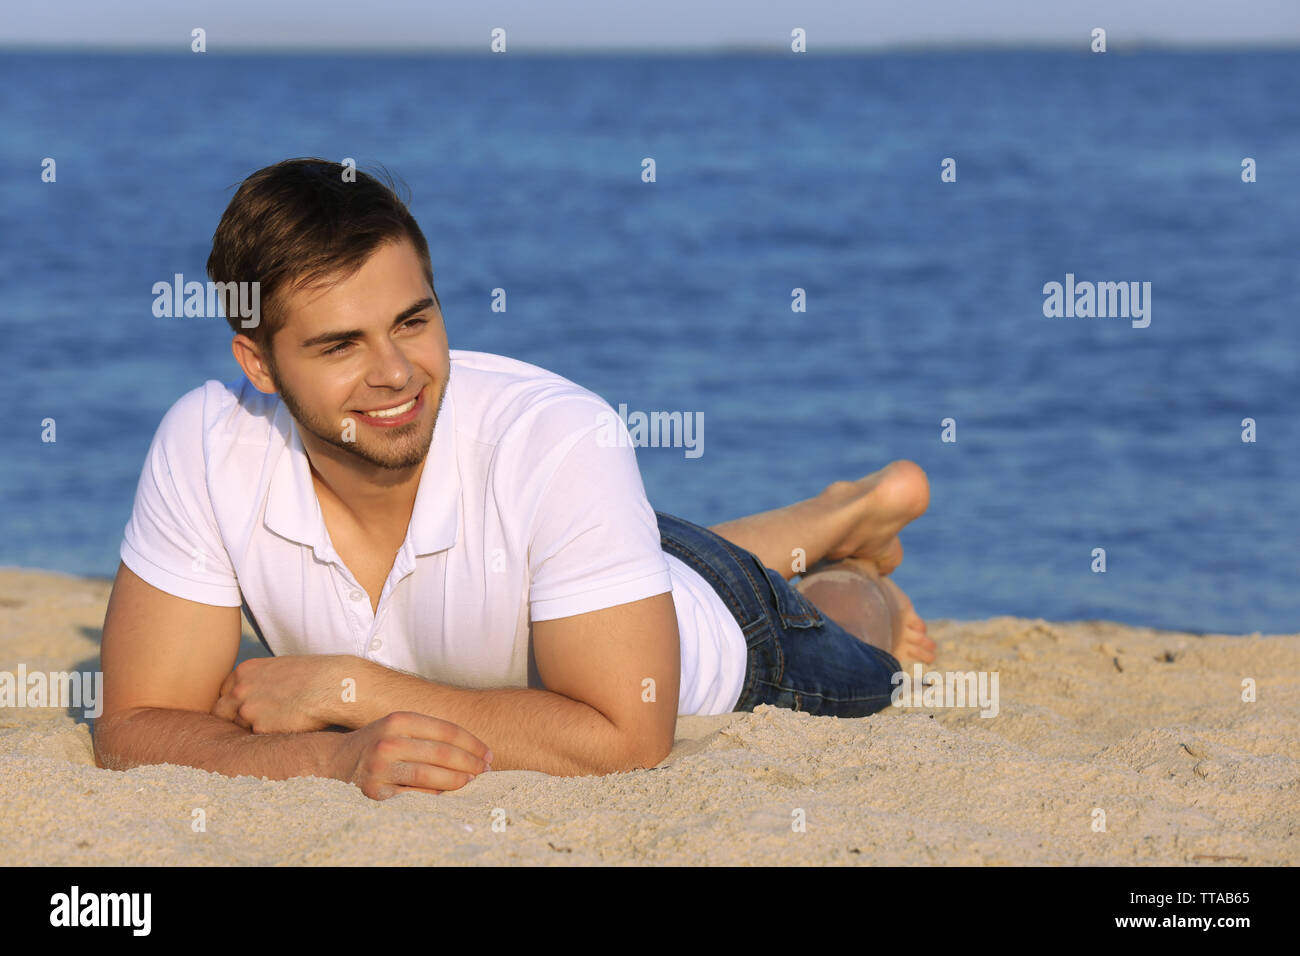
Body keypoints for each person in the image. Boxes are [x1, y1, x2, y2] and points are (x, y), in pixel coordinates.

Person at [93, 158, 935, 801]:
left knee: (845, 633)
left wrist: (349, 688)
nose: (396, 374)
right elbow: (131, 727)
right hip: (595, 566)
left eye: (412, 322)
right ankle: (835, 510)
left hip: (726, 630)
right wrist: (332, 754)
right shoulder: (208, 442)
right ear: (259, 364)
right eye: (340, 344)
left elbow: (626, 741)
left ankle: (854, 558)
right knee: (664, 547)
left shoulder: (558, 437)